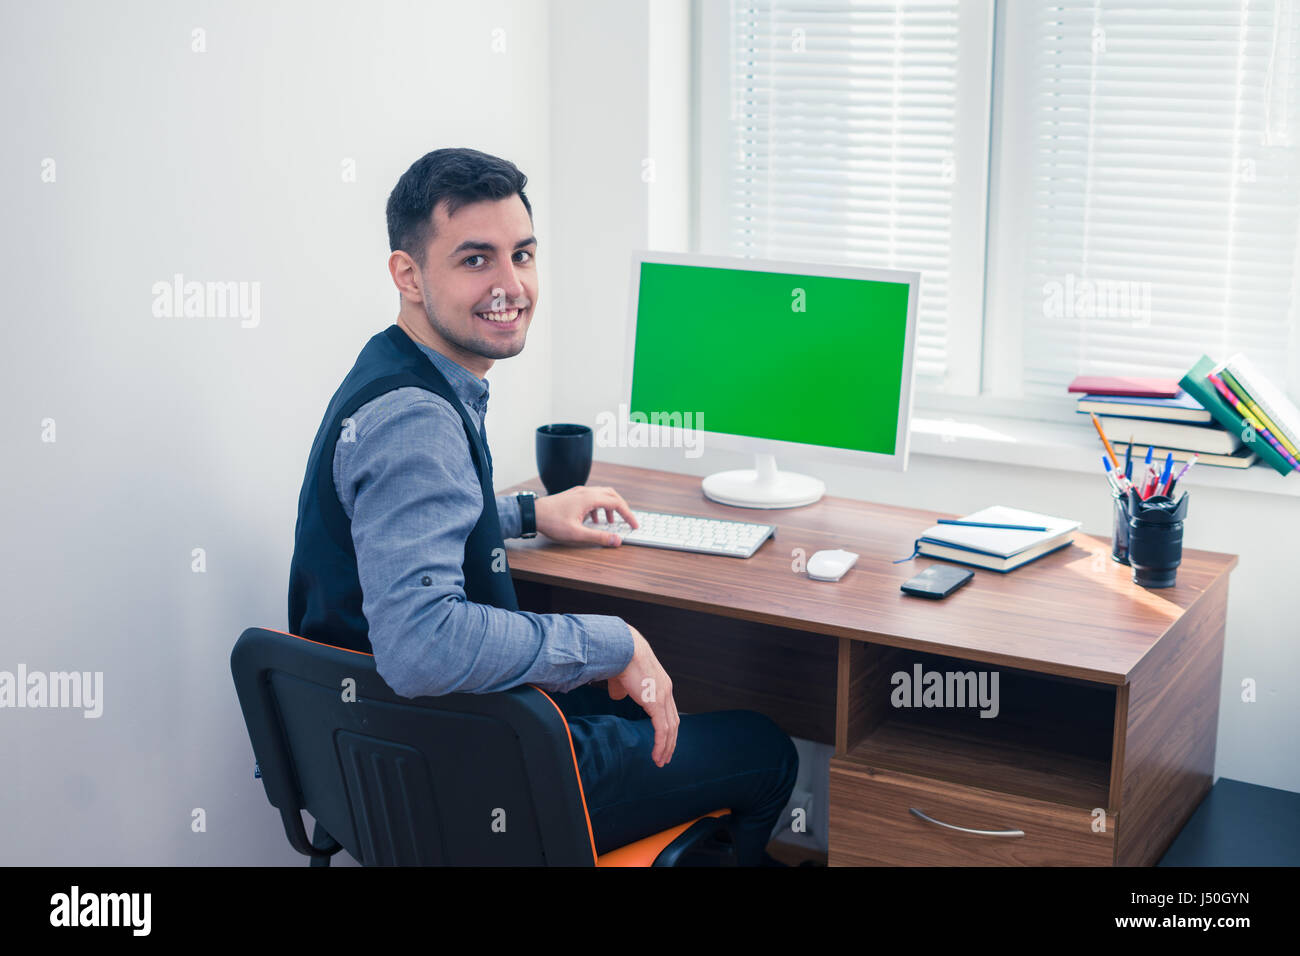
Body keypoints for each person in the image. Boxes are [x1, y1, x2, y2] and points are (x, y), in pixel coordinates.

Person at [287, 147, 797, 866]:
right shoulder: (418, 421)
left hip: (389, 762)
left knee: (612, 704)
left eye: (522, 255)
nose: (511, 285)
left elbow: (397, 530)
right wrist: (613, 639)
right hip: (471, 776)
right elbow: (423, 647)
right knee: (764, 748)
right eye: (475, 260)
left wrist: (529, 516)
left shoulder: (392, 374)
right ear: (408, 274)